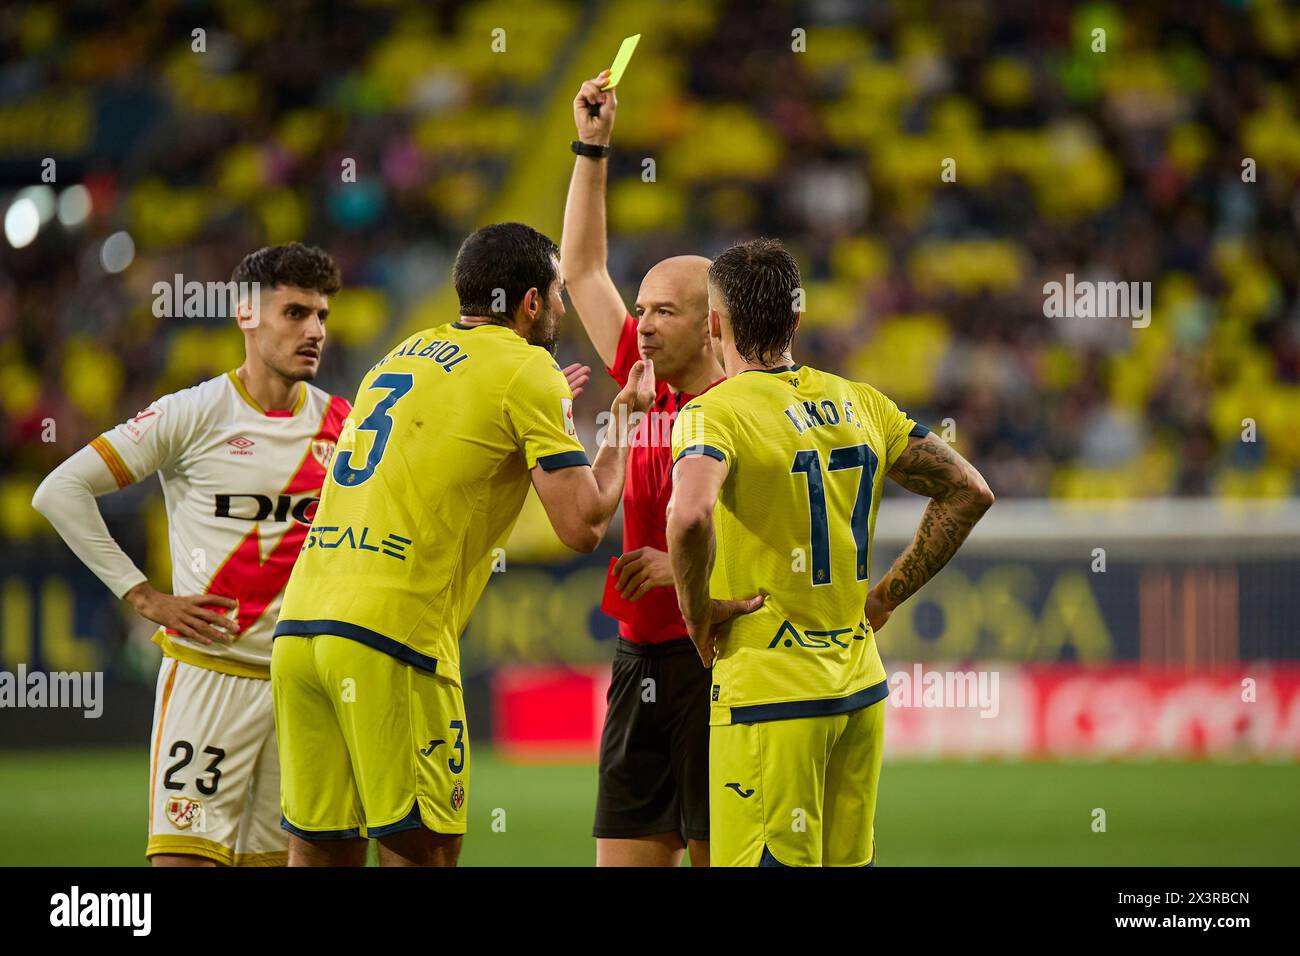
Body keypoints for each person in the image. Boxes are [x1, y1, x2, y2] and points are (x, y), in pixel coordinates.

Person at [271, 221, 654, 867]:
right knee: (427, 855)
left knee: (319, 855)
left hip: (302, 629)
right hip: (392, 638)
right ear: (531, 302)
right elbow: (583, 523)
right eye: (558, 293)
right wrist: (624, 425)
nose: (562, 306)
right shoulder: (529, 368)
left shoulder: (402, 353)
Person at [667, 238, 995, 866]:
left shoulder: (713, 414)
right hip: (859, 691)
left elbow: (689, 514)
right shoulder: (859, 402)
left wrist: (696, 613)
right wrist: (885, 596)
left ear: (714, 324)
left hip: (770, 696)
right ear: (796, 318)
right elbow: (969, 491)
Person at [32, 242, 351, 866]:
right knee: (183, 863)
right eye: (295, 313)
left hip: (301, 688)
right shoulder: (193, 413)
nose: (314, 330)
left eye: (322, 316)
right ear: (246, 315)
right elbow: (60, 490)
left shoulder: (344, 423)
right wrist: (144, 596)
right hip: (211, 675)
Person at [562, 70, 726, 867]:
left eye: (665, 309)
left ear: (713, 323)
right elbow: (583, 273)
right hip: (639, 663)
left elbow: (786, 544)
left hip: (718, 659)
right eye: (645, 307)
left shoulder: (745, 405)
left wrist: (684, 566)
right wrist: (591, 147)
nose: (645, 323)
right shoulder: (641, 372)